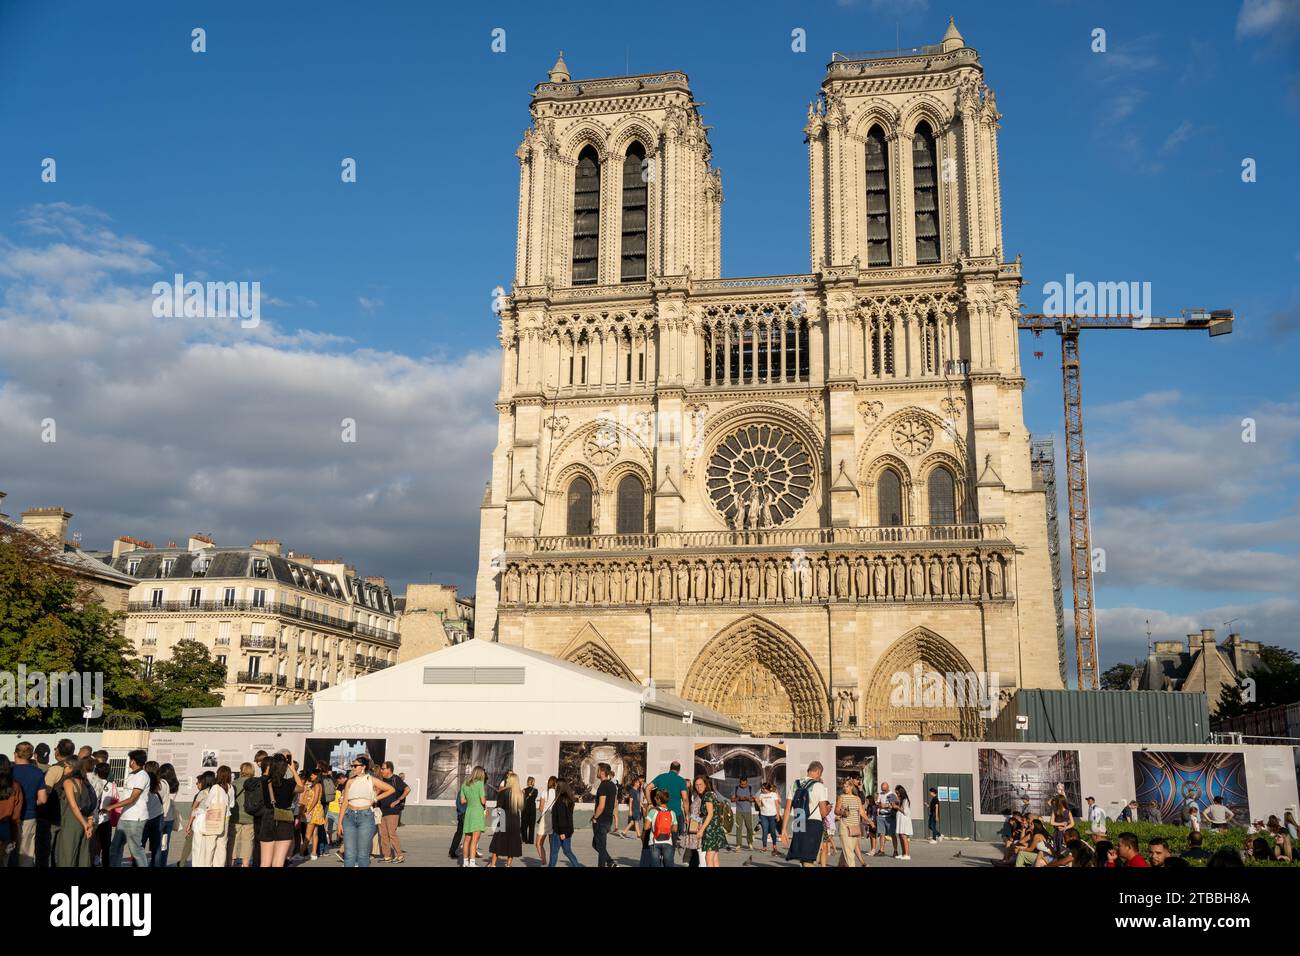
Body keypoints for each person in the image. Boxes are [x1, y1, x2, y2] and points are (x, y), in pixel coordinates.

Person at [105, 750, 154, 867]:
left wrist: (111, 807)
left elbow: (132, 798)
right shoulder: (132, 775)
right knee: (115, 847)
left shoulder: (142, 776)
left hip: (135, 818)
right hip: (125, 816)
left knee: (135, 849)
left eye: (130, 759)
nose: (129, 762)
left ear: (133, 761)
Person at [259, 752, 305, 868]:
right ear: (284, 768)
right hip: (284, 818)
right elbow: (302, 787)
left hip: (268, 818)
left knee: (265, 862)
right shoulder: (289, 784)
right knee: (278, 862)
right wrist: (293, 769)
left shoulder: (265, 782)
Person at [782, 760, 831, 868]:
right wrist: (829, 808)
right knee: (809, 860)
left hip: (798, 822)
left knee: (802, 858)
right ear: (818, 772)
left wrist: (784, 829)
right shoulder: (819, 786)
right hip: (813, 824)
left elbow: (787, 809)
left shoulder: (795, 784)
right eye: (820, 774)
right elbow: (823, 813)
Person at [54, 757, 96, 867]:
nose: (64, 769)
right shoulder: (85, 782)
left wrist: (84, 824)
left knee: (67, 857)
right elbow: (91, 804)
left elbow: (73, 806)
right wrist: (89, 824)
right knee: (82, 856)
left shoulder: (68, 782)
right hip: (85, 822)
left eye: (66, 766)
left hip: (71, 823)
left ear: (72, 767)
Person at [10, 743, 45, 867]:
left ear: (15, 754)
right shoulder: (38, 772)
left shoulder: (9, 771)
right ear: (31, 755)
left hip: (9, 816)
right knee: (26, 854)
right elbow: (42, 799)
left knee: (7, 853)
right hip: (29, 815)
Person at [648, 760, 689, 863]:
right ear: (679, 770)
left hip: (659, 813)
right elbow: (685, 798)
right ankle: (669, 860)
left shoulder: (661, 777)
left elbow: (647, 788)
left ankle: (658, 860)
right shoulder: (681, 780)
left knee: (657, 836)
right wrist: (687, 814)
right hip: (675, 814)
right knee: (671, 841)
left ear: (670, 768)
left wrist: (650, 803)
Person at [189, 770, 230, 867]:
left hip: (214, 818)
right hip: (225, 818)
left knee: (209, 846)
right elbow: (230, 803)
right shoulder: (229, 787)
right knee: (221, 847)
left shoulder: (215, 788)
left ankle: (207, 864)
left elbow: (207, 803)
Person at [488, 771, 525, 867]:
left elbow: (498, 808)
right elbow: (521, 808)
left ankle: (493, 864)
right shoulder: (520, 794)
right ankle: (508, 865)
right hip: (515, 820)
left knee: (498, 842)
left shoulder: (503, 792)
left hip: (504, 819)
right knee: (512, 842)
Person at [375, 762, 408, 863]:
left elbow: (407, 789)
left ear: (389, 769)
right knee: (383, 834)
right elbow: (377, 793)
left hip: (392, 811)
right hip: (382, 810)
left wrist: (398, 800)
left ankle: (399, 856)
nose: (381, 770)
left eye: (383, 768)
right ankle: (387, 856)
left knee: (392, 833)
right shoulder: (383, 780)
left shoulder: (395, 779)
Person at [458, 765, 488, 867]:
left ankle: (465, 862)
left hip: (469, 812)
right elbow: (483, 800)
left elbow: (462, 801)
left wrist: (471, 800)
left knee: (467, 839)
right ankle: (472, 863)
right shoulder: (480, 784)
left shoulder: (464, 784)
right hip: (477, 812)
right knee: (475, 840)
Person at [548, 781, 582, 867]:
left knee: (554, 853)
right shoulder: (569, 799)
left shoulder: (560, 800)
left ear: (560, 787)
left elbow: (561, 817)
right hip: (568, 830)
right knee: (567, 851)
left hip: (560, 831)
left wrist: (562, 832)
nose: (555, 787)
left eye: (556, 786)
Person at [591, 762, 619, 868]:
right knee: (596, 844)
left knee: (601, 846)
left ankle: (604, 864)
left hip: (601, 820)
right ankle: (610, 862)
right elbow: (615, 803)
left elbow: (601, 805)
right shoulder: (612, 785)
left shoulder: (603, 786)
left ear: (602, 772)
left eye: (598, 770)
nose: (596, 772)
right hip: (608, 819)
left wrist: (595, 817)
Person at [230, 763, 256, 867]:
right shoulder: (255, 783)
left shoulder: (234, 783)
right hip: (250, 817)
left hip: (235, 817)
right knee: (248, 842)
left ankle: (231, 862)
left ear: (241, 770)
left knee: (233, 841)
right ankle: (245, 864)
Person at [835, 778, 865, 866]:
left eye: (847, 786)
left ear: (851, 787)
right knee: (850, 854)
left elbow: (862, 812)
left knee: (848, 850)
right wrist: (842, 812)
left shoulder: (857, 798)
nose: (845, 788)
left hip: (855, 827)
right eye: (843, 787)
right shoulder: (841, 797)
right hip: (844, 826)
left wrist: (870, 821)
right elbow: (836, 811)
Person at [644, 788, 677, 867]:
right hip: (667, 841)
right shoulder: (672, 812)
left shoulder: (653, 811)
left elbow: (646, 827)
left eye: (656, 797)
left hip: (654, 842)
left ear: (658, 799)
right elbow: (675, 829)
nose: (655, 799)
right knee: (668, 864)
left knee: (655, 864)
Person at [156, 763, 180, 867]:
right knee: (165, 844)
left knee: (157, 845)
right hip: (169, 818)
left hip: (160, 817)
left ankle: (156, 863)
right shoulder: (175, 785)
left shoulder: (161, 785)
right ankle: (163, 863)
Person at [299, 767, 324, 861]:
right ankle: (313, 853)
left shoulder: (317, 785)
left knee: (308, 834)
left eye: (313, 774)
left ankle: (301, 853)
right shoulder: (316, 785)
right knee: (314, 833)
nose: (311, 776)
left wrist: (308, 810)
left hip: (314, 810)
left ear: (317, 775)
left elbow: (315, 798)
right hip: (317, 810)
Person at [757, 780, 782, 855]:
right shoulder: (761, 795)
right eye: (762, 788)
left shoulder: (773, 794)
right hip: (764, 815)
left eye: (763, 788)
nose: (762, 789)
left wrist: (778, 815)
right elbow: (761, 806)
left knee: (773, 831)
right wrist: (757, 802)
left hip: (773, 815)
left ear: (767, 788)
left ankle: (774, 846)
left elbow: (777, 805)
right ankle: (764, 847)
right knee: (765, 831)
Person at [535, 774, 555, 861]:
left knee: (539, 843)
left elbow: (541, 808)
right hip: (554, 818)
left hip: (545, 818)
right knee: (552, 843)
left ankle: (543, 861)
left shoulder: (544, 792)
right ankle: (552, 862)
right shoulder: (558, 793)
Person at [732, 775, 755, 851]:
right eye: (742, 784)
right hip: (739, 811)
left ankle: (750, 843)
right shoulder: (736, 788)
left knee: (749, 827)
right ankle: (738, 844)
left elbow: (753, 799)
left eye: (745, 784)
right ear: (739, 782)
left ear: (747, 782)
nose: (743, 785)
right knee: (739, 828)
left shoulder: (750, 788)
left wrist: (747, 798)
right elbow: (732, 799)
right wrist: (738, 798)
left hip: (748, 811)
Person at [894, 784, 913, 860]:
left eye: (897, 793)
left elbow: (905, 812)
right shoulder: (901, 800)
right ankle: (903, 853)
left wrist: (897, 807)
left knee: (904, 836)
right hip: (900, 819)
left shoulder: (905, 800)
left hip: (904, 820)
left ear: (901, 792)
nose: (897, 794)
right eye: (896, 793)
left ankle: (907, 854)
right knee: (900, 835)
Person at [620, 774, 642, 840]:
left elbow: (638, 801)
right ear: (635, 783)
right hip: (634, 809)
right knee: (636, 822)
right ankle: (638, 835)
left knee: (632, 822)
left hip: (637, 809)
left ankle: (623, 833)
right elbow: (630, 801)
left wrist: (641, 807)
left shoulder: (637, 791)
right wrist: (630, 811)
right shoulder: (632, 791)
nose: (639, 784)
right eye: (638, 783)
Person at [520, 776, 538, 847]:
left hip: (525, 808)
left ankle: (524, 839)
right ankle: (531, 840)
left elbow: (522, 799)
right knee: (531, 825)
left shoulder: (523, 790)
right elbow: (534, 797)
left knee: (524, 824)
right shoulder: (535, 791)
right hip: (532, 809)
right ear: (533, 782)